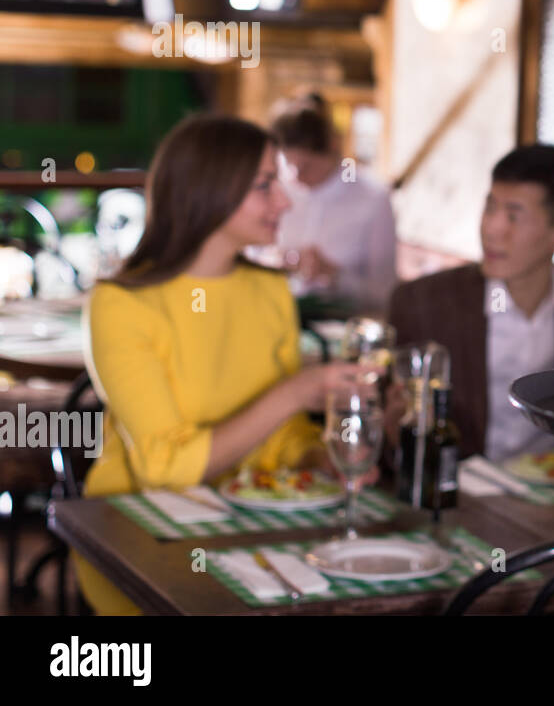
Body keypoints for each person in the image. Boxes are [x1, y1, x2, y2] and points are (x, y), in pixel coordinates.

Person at [76, 114, 364, 614]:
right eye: (265, 184)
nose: (286, 201)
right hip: (140, 539)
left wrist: (320, 459)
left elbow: (283, 433)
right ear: (206, 190)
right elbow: (166, 470)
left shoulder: (269, 289)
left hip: (260, 532)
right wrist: (295, 391)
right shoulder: (120, 304)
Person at [387, 144, 554, 461]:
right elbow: (390, 437)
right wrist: (394, 422)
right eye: (490, 208)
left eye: (513, 216)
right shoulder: (422, 303)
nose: (492, 229)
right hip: (457, 490)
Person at [271, 97, 397, 314]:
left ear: (332, 148)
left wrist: (334, 275)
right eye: (288, 165)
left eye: (305, 165)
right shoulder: (279, 191)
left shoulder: (372, 198)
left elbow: (385, 294)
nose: (295, 175)